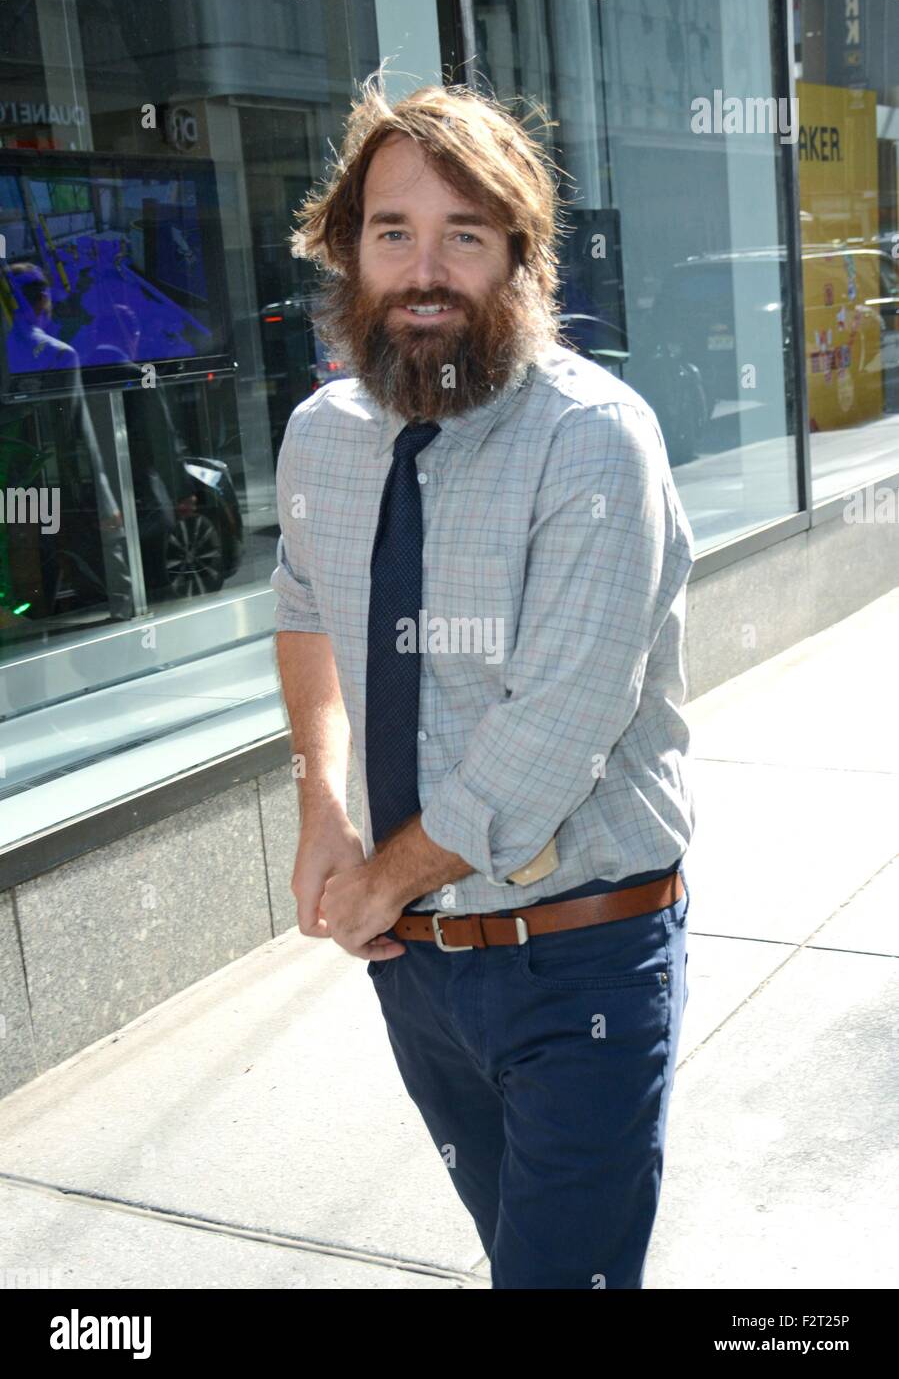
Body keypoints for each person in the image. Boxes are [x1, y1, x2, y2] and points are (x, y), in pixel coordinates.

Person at [270, 73, 696, 1290]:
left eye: (464, 235)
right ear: (345, 252)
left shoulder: (591, 439)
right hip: (418, 969)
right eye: (391, 231)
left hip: (580, 961)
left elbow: (552, 731)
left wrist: (373, 885)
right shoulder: (323, 435)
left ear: (519, 256)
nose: (423, 270)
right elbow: (303, 607)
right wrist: (322, 807)